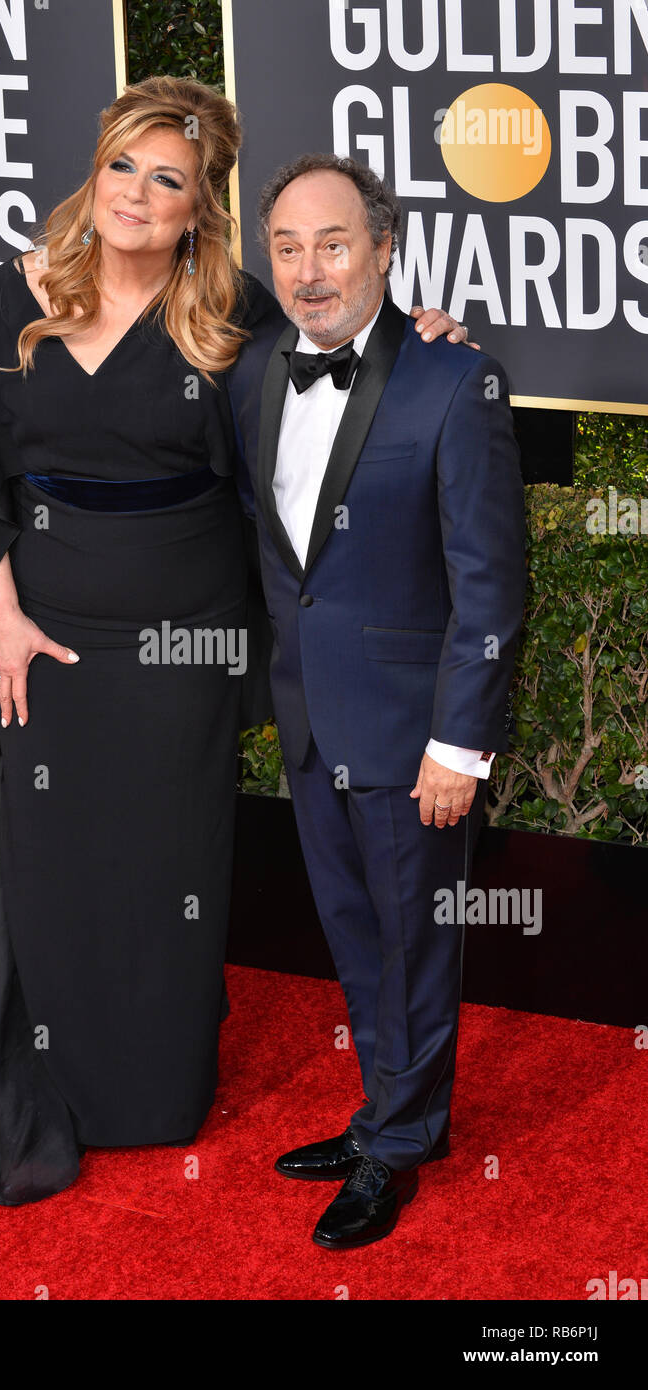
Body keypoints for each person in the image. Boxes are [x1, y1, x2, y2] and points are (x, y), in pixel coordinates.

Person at [0, 81, 468, 1207]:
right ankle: (50, 1075)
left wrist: (421, 334)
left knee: (165, 868)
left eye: (166, 179)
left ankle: (153, 1088)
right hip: (46, 637)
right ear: (97, 171)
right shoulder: (16, 292)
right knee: (57, 868)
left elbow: (347, 364)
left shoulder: (229, 313)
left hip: (185, 650)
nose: (136, 194)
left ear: (197, 208)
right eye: (123, 167)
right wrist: (0, 618)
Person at [227, 154, 527, 1248]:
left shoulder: (455, 380)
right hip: (309, 719)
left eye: (334, 242)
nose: (309, 271)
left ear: (384, 248)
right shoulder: (252, 370)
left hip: (414, 738)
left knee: (414, 944)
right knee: (357, 938)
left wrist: (461, 741)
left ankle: (400, 1144)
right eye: (287, 248)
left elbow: (489, 579)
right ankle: (389, 1113)